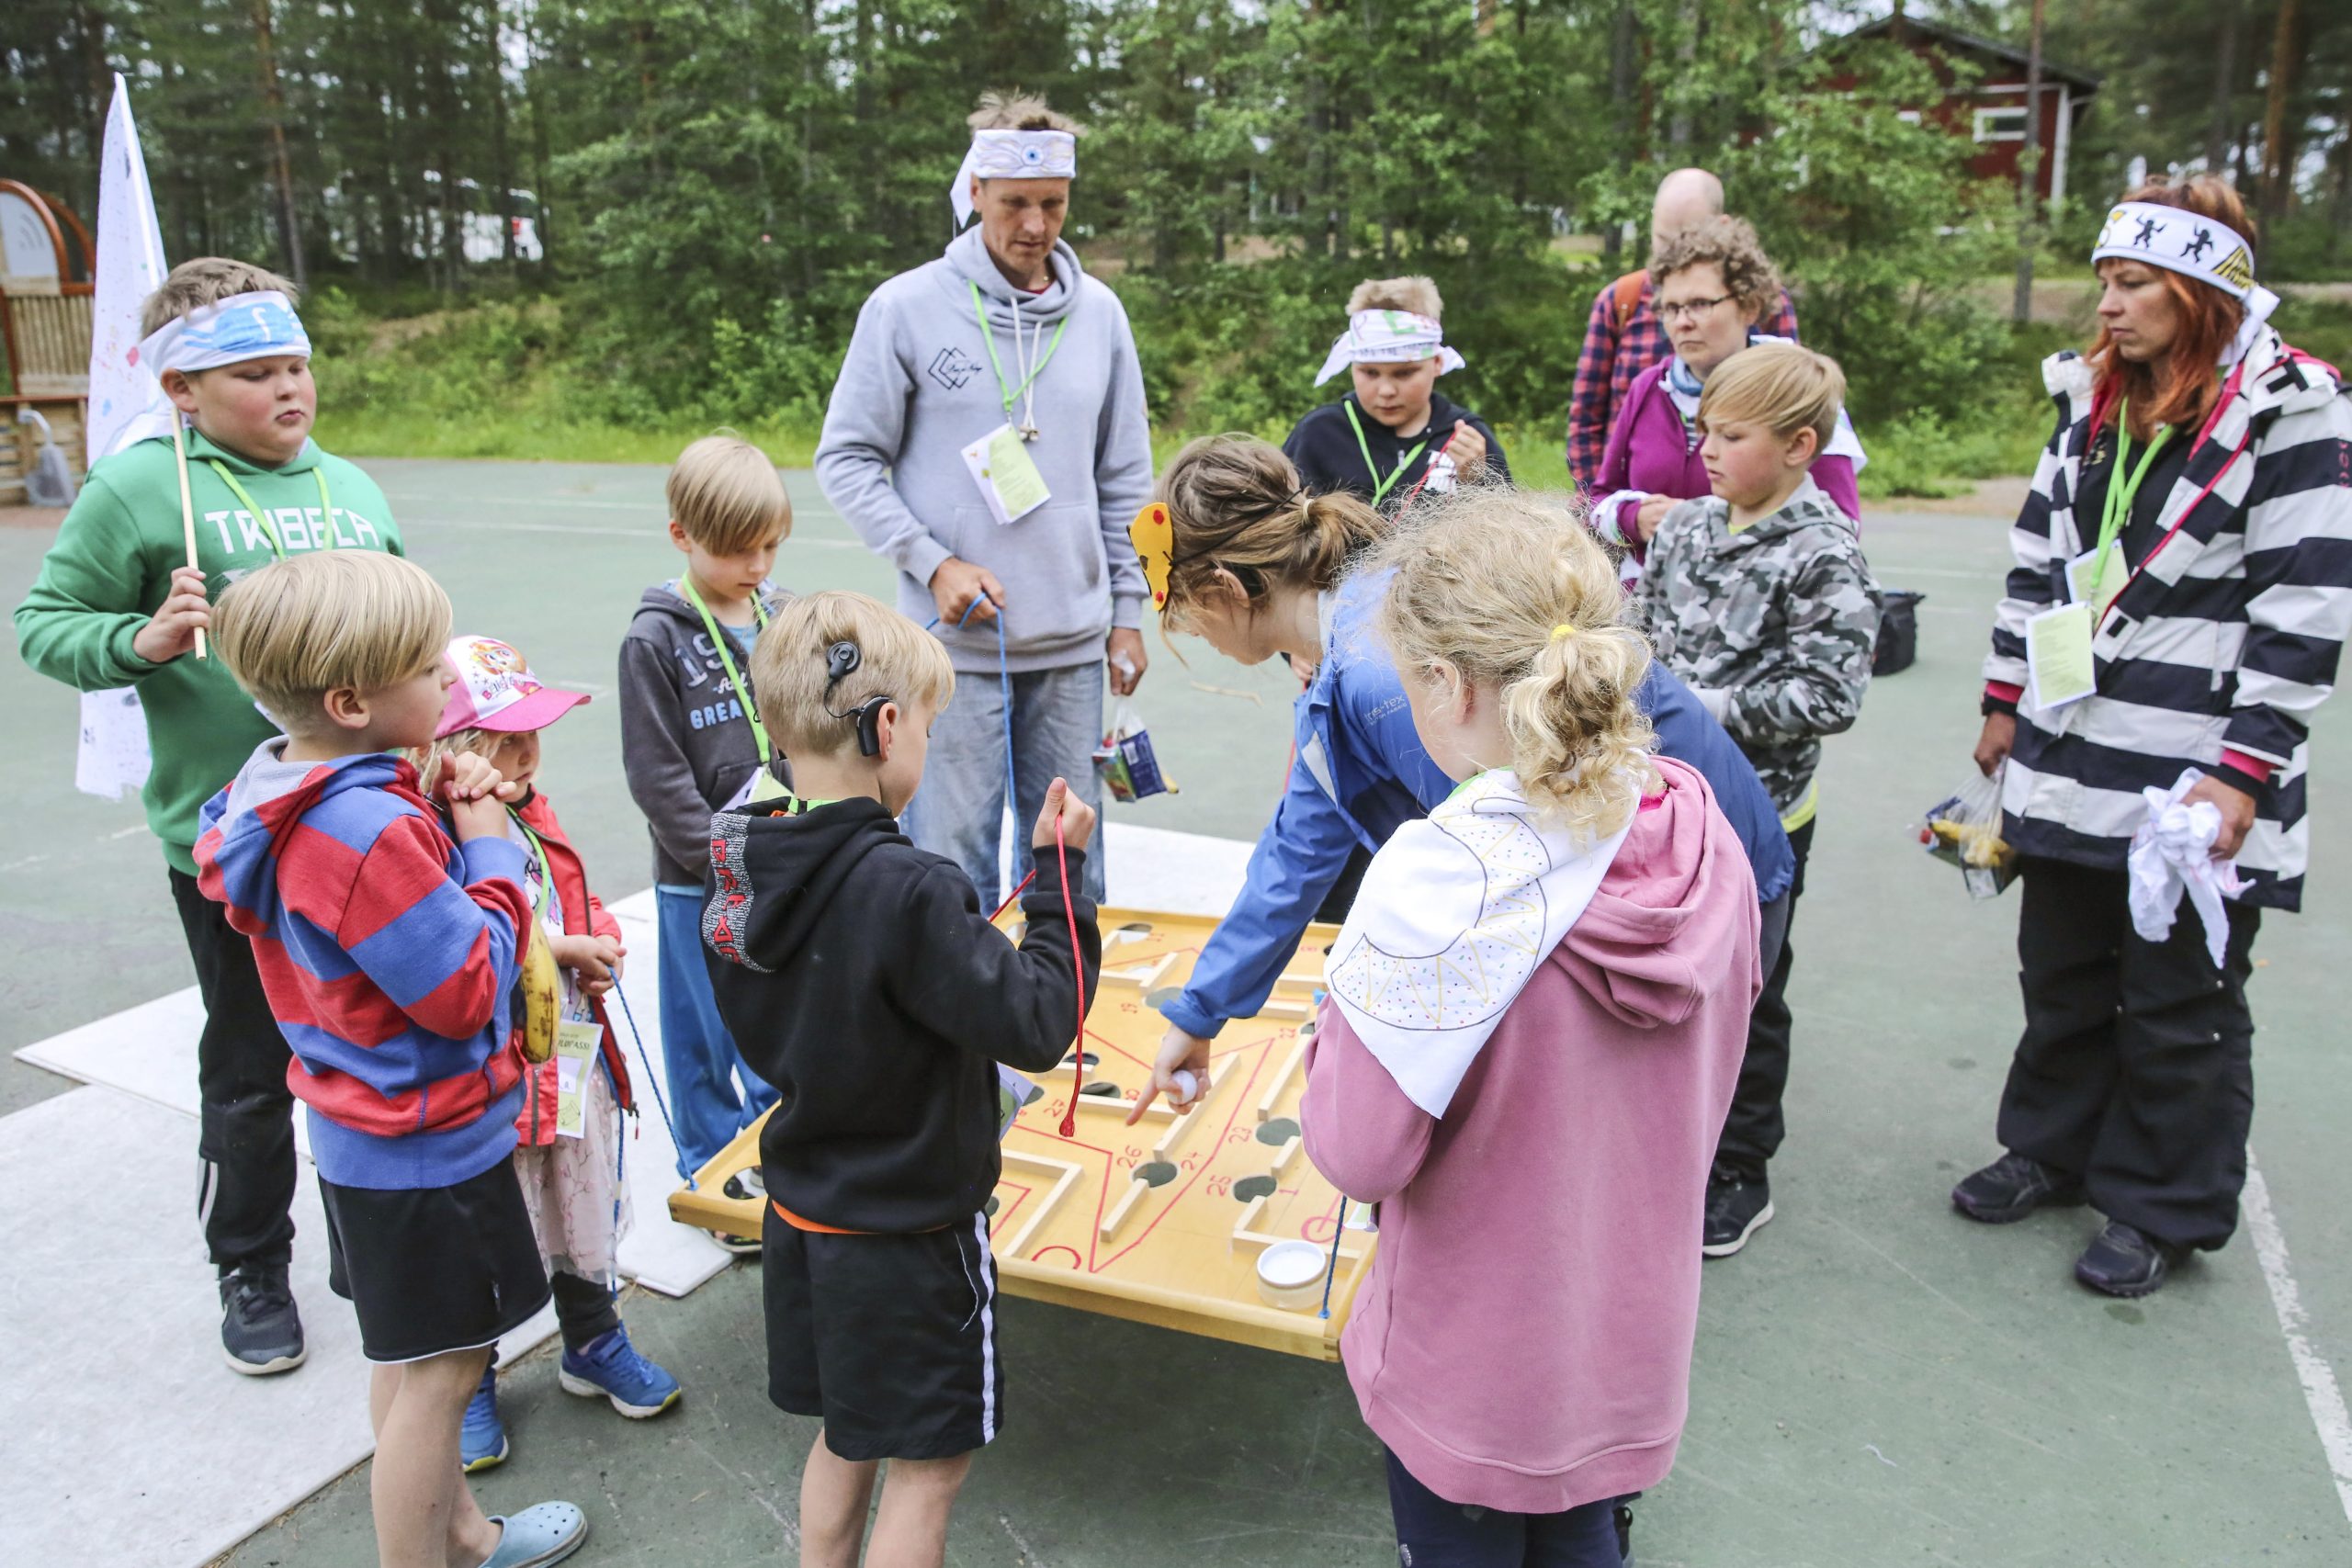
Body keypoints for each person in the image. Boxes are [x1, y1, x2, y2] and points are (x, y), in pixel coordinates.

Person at [1127, 440, 1793, 1269]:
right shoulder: (1360, 628)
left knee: (1627, 1151)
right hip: (1689, 852)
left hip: (1687, 887)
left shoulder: (1386, 680)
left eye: (1183, 614)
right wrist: (1200, 1011)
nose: (1187, 631)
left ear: (1226, 591)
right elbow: (1298, 845)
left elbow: (1516, 872)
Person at [1301, 489, 1760, 1568]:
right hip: (1626, 1338)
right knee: (1585, 1535)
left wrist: (1334, 1039)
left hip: (1471, 1365)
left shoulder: (1438, 883)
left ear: (1445, 683)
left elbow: (1358, 1153)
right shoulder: (1701, 830)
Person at [1961, 176, 2352, 1298]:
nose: (2108, 306)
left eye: (2133, 284)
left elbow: (2307, 599)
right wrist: (2004, 698)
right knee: (2063, 971)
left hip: (2193, 766)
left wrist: (2244, 767)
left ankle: (2158, 1204)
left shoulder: (2295, 409)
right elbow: (2037, 557)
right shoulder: (2090, 400)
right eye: (2105, 282)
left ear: (2201, 292)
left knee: (2179, 998)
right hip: (2071, 745)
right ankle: (2052, 1148)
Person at [15, 259, 403, 1376]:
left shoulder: (351, 487)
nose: (289, 389)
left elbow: (407, 634)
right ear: (180, 387)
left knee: (376, 1051)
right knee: (250, 1067)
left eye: (296, 366)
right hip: (234, 845)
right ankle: (249, 1260)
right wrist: (138, 640)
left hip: (372, 828)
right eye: (254, 373)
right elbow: (45, 623)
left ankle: (371, 1248)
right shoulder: (142, 488)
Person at [193, 551, 585, 1568]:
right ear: (350, 702)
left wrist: (430, 796)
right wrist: (488, 845)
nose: (448, 682)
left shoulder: (291, 786)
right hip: (428, 1152)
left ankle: (462, 1536)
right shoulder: (361, 829)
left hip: (364, 1134)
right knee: (445, 1377)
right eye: (426, 670)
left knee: (410, 1358)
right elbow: (464, 990)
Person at [699, 591, 1099, 1568]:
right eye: (925, 723)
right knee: (927, 1470)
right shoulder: (908, 888)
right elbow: (1038, 1022)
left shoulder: (741, 866)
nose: (924, 740)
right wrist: (1059, 883)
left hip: (805, 1214)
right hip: (910, 1239)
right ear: (885, 728)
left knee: (846, 1434)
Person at [815, 90, 1152, 908]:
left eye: (1053, 204)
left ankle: (1066, 995)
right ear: (975, 192)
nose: (1035, 225)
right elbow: (846, 458)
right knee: (951, 863)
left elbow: (1126, 479)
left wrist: (1128, 612)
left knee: (1066, 861)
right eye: (1014, 204)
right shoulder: (905, 307)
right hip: (948, 653)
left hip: (1072, 649)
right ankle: (958, 1001)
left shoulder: (1101, 316)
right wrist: (933, 563)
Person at [1632, 344, 1883, 1257]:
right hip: (1662, 806)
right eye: (1703, 431)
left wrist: (1704, 709)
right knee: (1660, 979)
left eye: (1731, 436)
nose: (1707, 450)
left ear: (1798, 445)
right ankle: (1663, 1144)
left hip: (1759, 819)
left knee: (1750, 990)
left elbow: (1831, 696)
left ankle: (1739, 1168)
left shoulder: (1823, 552)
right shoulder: (1685, 530)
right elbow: (1640, 640)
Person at [417, 636, 684, 1473]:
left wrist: (596, 936)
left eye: (533, 732)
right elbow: (469, 943)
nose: (528, 751)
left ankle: (593, 1338)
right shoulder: (436, 835)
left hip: (567, 1061)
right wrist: (562, 949)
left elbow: (571, 894)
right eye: (505, 739)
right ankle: (473, 1376)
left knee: (578, 1207)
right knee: (497, 1225)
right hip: (493, 1078)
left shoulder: (532, 807)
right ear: (455, 748)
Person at [618, 434, 789, 1213]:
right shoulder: (653, 638)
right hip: (700, 879)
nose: (757, 565)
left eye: (770, 545)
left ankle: (776, 1148)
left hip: (784, 865)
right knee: (703, 1028)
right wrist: (720, 860)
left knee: (775, 1016)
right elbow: (656, 776)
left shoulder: (783, 614)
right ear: (682, 536)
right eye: (736, 550)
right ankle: (711, 1172)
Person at [1590, 216, 1866, 561]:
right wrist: (1632, 518)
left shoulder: (1798, 387)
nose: (1682, 322)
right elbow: (1595, 500)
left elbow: (1841, 525)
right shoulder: (1648, 388)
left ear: (1749, 306)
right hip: (1648, 594)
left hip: (1759, 592)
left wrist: (1710, 531)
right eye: (1671, 308)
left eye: (1700, 304)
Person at [1566, 168, 1800, 491]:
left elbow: (1793, 402)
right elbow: (1585, 419)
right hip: (1630, 508)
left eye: (1701, 305)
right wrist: (1601, 507)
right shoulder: (1621, 300)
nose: (1674, 254)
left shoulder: (1761, 297)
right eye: (1663, 241)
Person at [1284, 275, 1510, 510]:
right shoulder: (1318, 434)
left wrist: (1478, 480)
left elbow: (1509, 526)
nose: (1386, 391)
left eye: (1404, 373)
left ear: (1437, 363)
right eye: (1370, 373)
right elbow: (1277, 520)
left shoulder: (1467, 439)